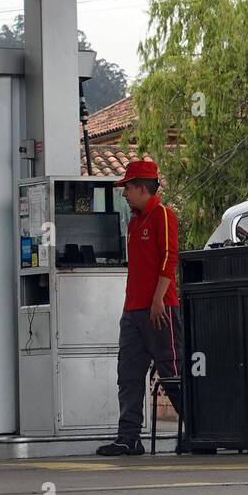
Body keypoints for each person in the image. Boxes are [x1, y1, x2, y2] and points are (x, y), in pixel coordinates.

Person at [97, 160, 183, 457]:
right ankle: (129, 437)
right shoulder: (134, 223)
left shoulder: (163, 215)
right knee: (129, 373)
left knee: (171, 369)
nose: (125, 194)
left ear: (143, 188)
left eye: (128, 188)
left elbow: (169, 259)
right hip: (132, 310)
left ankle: (196, 429)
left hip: (159, 308)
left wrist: (158, 298)